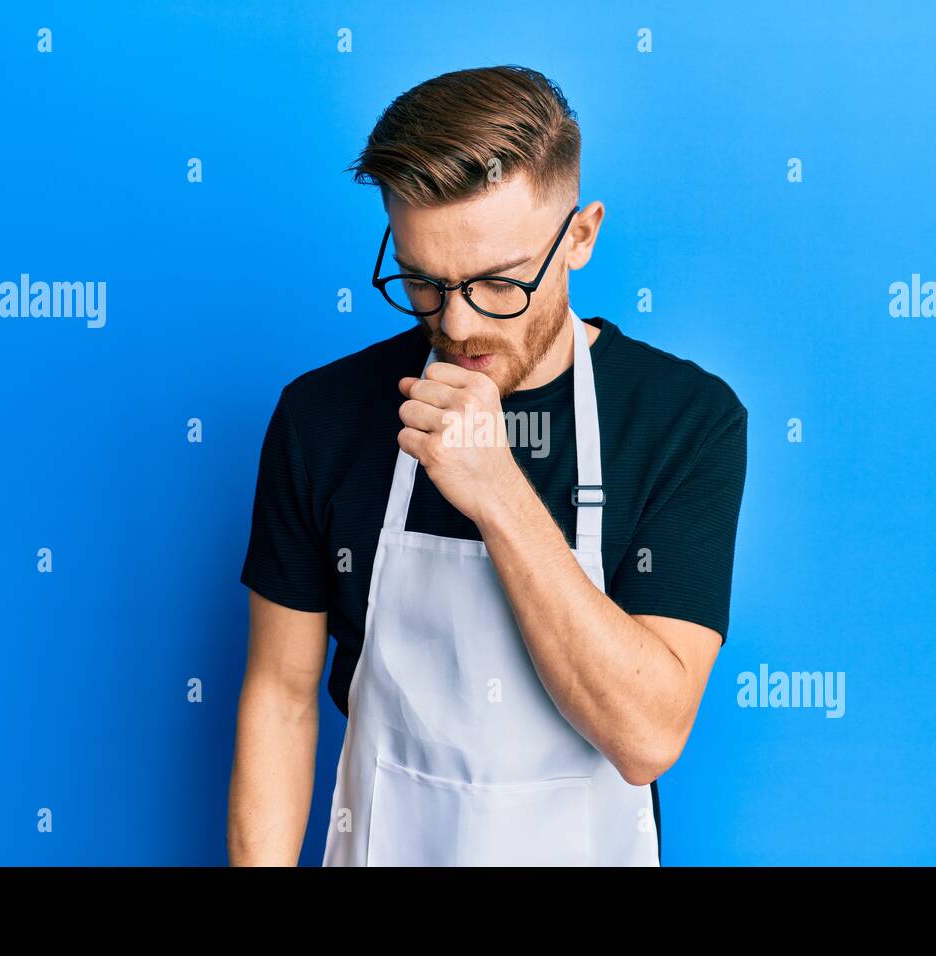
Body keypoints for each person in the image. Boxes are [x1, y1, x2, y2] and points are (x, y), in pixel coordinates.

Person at [228, 65, 747, 866]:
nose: (458, 323)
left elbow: (646, 735)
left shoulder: (685, 420)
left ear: (580, 236)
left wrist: (496, 487)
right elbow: (281, 698)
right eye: (423, 282)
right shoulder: (322, 417)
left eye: (498, 283)